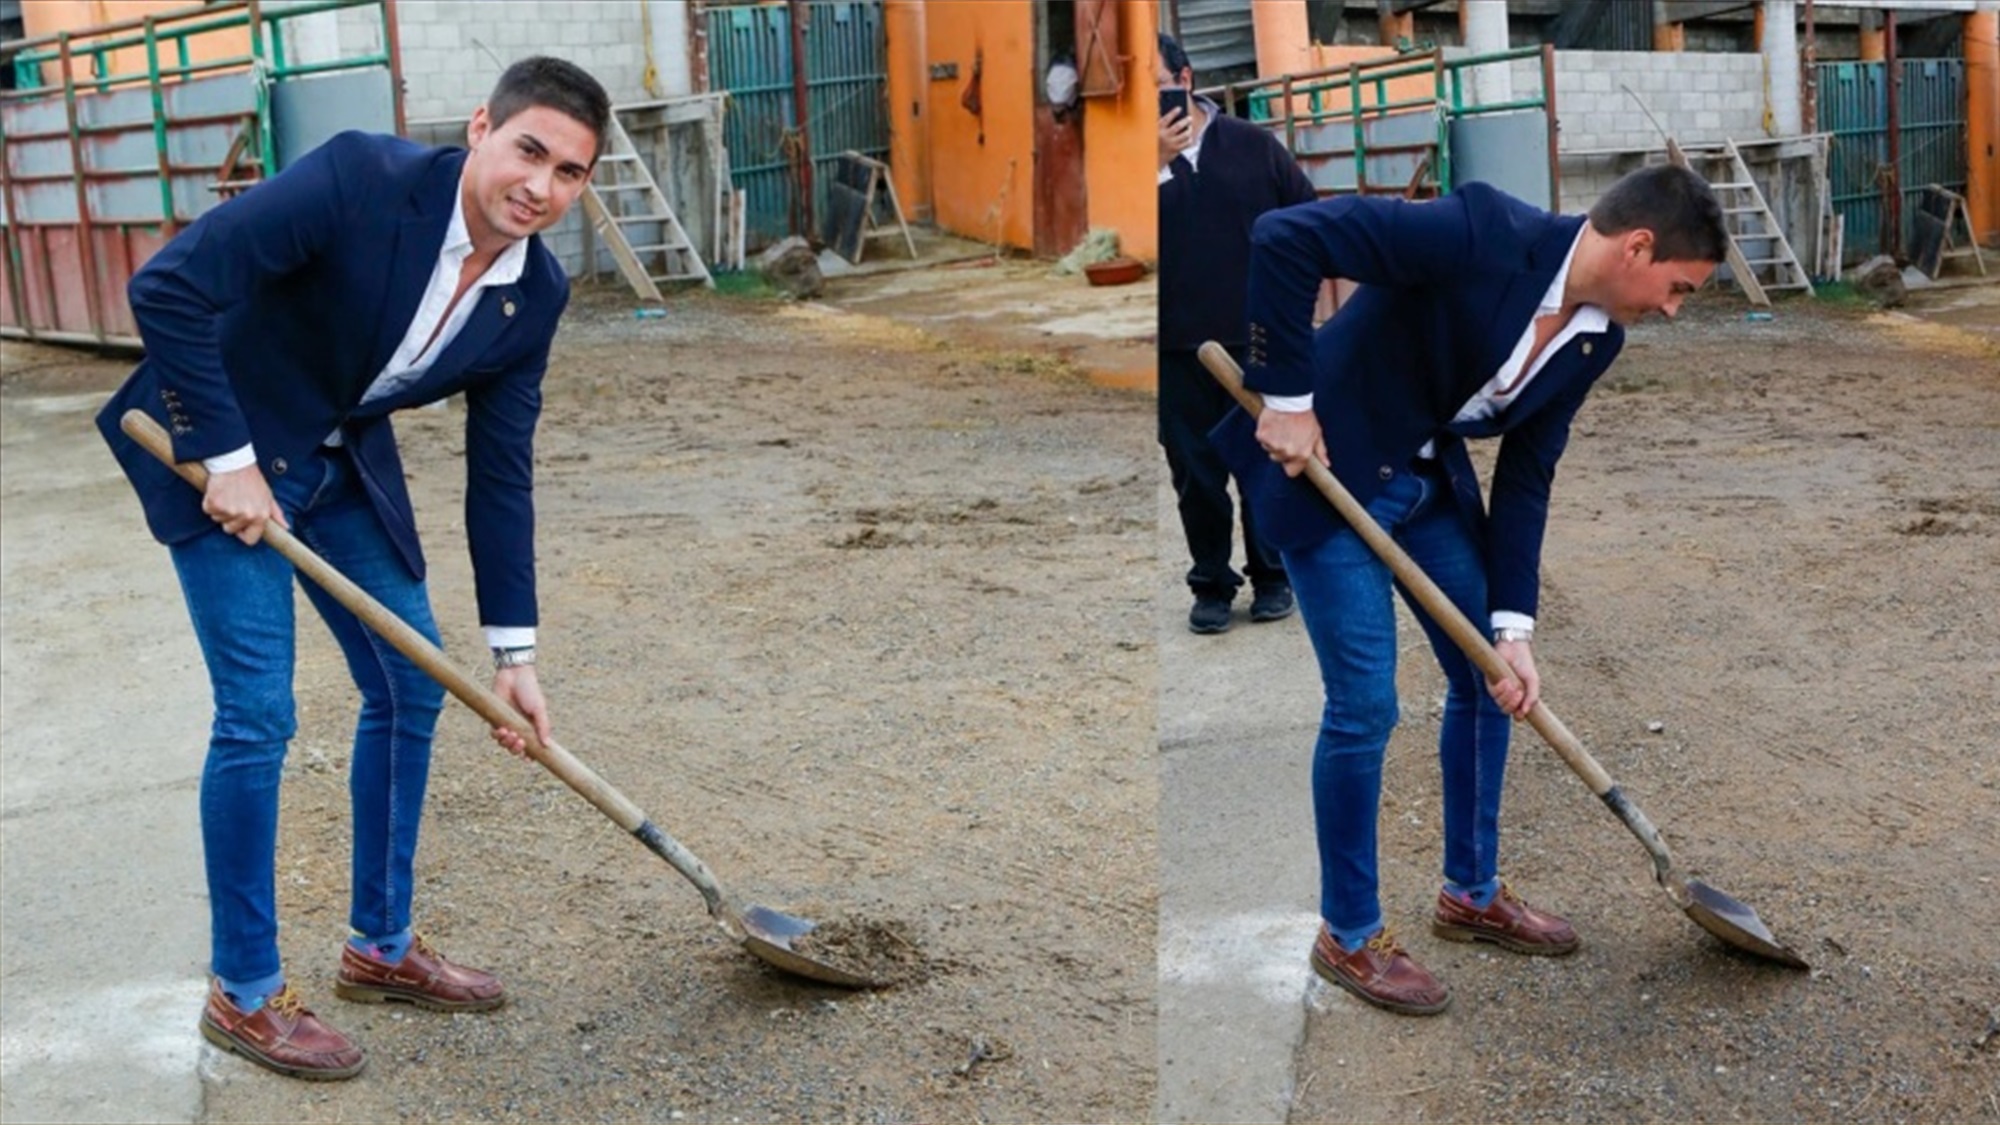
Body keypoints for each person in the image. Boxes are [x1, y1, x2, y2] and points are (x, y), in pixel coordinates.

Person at [94, 55, 610, 1078]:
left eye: (570, 173)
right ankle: (242, 993)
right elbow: (169, 286)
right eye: (528, 151)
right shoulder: (359, 179)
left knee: (410, 684)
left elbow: (499, 473)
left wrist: (515, 655)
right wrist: (229, 460)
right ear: (479, 129)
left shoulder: (532, 295)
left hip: (332, 459)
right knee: (258, 715)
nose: (540, 187)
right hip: (212, 444)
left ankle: (380, 947)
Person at [1213, 166, 1726, 1014]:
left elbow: (1527, 474)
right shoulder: (1482, 233)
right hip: (1325, 475)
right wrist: (1290, 398)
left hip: (1421, 486)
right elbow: (1287, 237)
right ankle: (1347, 932)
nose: (1673, 308)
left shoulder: (1597, 336)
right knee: (1365, 706)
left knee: (1495, 681)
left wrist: (1513, 625)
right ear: (1638, 246)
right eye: (1678, 288)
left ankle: (1470, 891)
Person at [1156, 32, 1316, 634]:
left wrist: (1292, 314)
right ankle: (1211, 584)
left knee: (1264, 464)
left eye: (1156, 83)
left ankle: (1273, 575)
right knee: (1195, 472)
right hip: (1173, 346)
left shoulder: (1253, 147)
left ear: (1186, 79)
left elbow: (1306, 219)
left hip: (1256, 342)